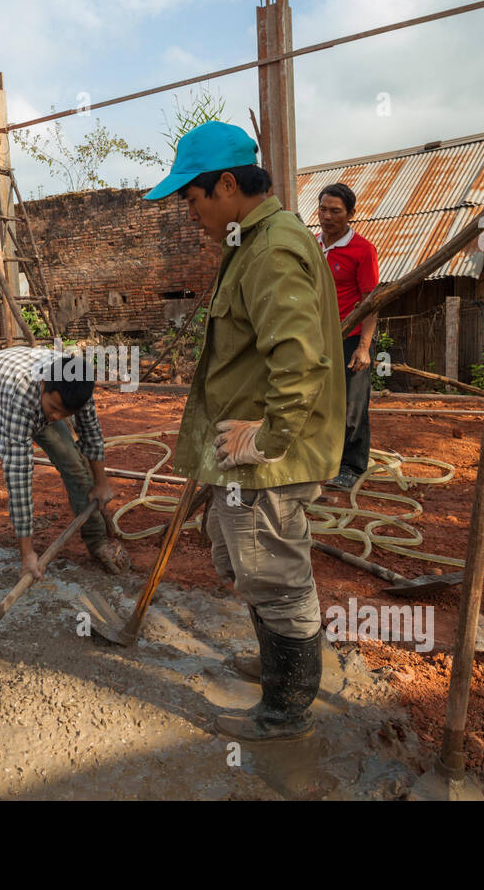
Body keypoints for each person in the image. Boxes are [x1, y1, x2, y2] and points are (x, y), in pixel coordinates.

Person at [144, 121, 344, 742]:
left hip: (267, 461)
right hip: (243, 457)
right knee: (252, 564)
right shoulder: (254, 242)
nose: (190, 212)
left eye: (193, 198)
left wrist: (269, 438)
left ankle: (285, 708)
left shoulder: (271, 249)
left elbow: (299, 357)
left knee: (276, 574)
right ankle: (278, 666)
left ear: (227, 185)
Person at [0, 347, 132, 585]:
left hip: (31, 405)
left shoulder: (77, 390)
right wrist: (27, 554)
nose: (58, 417)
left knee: (75, 466)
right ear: (44, 383)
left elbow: (91, 434)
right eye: (55, 408)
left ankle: (97, 541)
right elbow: (18, 477)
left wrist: (101, 483)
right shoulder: (21, 393)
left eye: (65, 413)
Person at [316, 183, 379, 489]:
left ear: (351, 214)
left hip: (350, 336)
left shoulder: (363, 250)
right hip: (315, 337)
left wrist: (364, 347)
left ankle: (352, 466)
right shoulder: (312, 245)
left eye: (335, 211)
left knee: (352, 404)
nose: (327, 216)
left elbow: (371, 302)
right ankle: (321, 458)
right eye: (323, 209)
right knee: (318, 400)